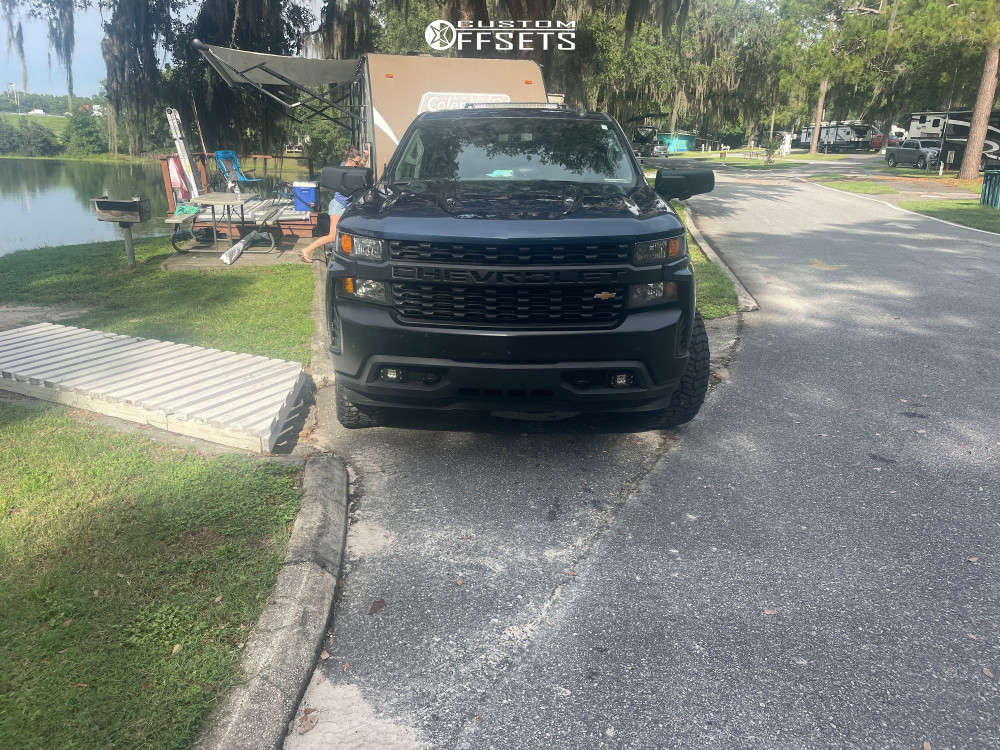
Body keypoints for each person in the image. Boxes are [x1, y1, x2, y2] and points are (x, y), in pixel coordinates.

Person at [299, 144, 370, 262]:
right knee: (332, 236)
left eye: (358, 163)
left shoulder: (351, 169)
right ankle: (306, 250)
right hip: (338, 205)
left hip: (345, 206)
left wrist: (365, 158)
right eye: (356, 162)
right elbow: (359, 168)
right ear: (350, 160)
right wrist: (363, 161)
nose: (358, 164)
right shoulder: (342, 170)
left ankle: (346, 256)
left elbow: (361, 166)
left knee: (349, 231)